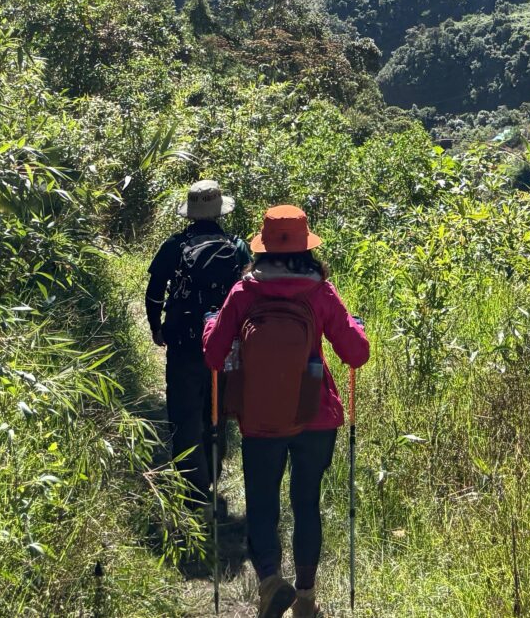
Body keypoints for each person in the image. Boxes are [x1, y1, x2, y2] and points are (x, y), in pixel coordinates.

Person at [204, 204, 369, 618]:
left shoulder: (245, 291)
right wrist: (358, 327)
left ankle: (269, 582)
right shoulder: (320, 291)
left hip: (260, 416)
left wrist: (211, 322)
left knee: (262, 503)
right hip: (315, 413)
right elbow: (356, 353)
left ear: (262, 246)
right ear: (306, 245)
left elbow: (213, 352)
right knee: (306, 502)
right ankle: (307, 598)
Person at [146, 179, 250, 510]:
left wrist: (156, 327)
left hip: (184, 343)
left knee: (184, 412)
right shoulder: (237, 246)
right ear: (220, 210)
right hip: (225, 344)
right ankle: (212, 475)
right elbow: (249, 293)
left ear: (190, 214)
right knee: (216, 411)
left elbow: (154, 292)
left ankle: (192, 491)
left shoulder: (174, 246)